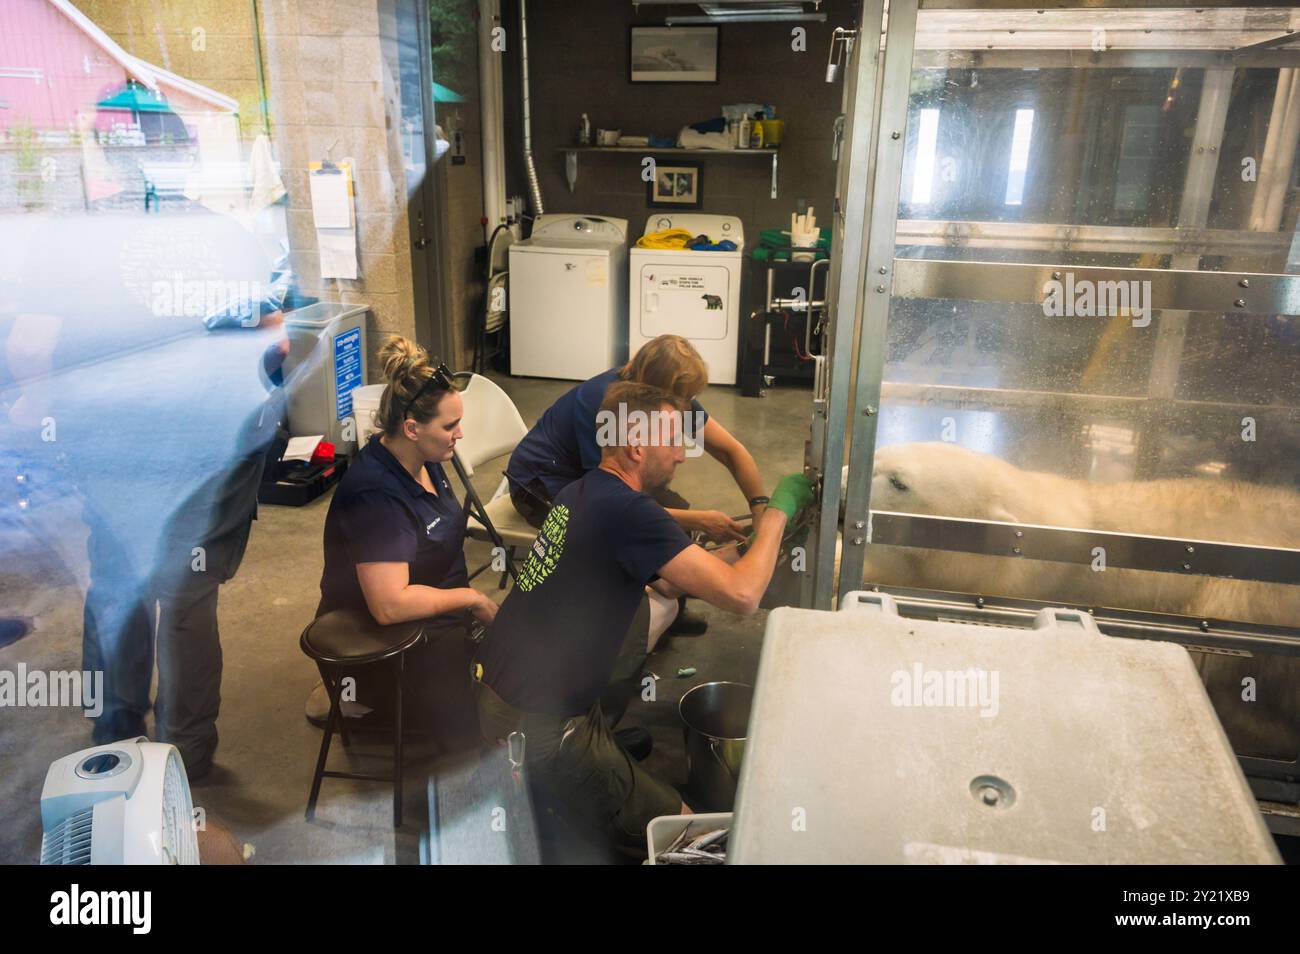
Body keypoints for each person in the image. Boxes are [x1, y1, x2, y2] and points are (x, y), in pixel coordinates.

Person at [472, 380, 813, 853]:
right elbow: (742, 596)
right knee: (694, 836)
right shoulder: (631, 513)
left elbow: (673, 583)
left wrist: (757, 545)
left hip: (507, 693)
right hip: (540, 726)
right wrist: (775, 513)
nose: (680, 455)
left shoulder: (582, 491)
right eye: (673, 441)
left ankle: (578, 782)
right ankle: (568, 794)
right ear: (636, 443)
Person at [505, 334, 769, 634]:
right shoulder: (603, 405)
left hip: (585, 480)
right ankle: (633, 624)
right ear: (658, 389)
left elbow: (730, 450)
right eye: (683, 398)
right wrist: (702, 520)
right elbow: (608, 505)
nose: (687, 407)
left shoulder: (665, 397)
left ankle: (667, 608)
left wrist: (759, 507)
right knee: (642, 531)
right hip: (539, 485)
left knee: (675, 510)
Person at [307, 336, 497, 728]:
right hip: (390, 643)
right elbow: (390, 605)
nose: (459, 434)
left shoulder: (423, 457)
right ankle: (364, 700)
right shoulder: (377, 495)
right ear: (412, 428)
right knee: (482, 726)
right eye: (451, 425)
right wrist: (471, 598)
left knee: (518, 666)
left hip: (439, 619)